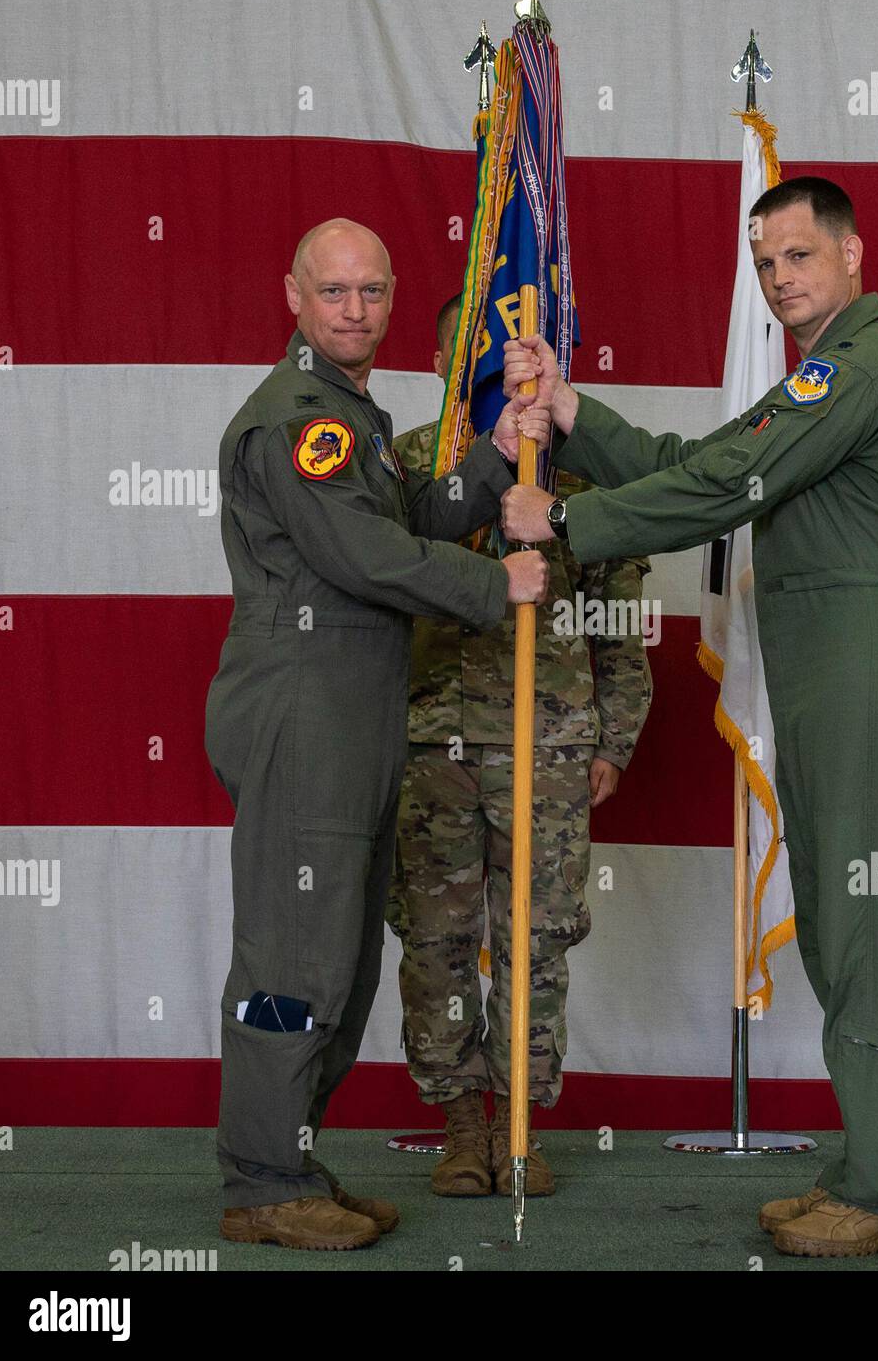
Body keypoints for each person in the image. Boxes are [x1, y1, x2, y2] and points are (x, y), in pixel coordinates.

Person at [500, 177, 878, 1259]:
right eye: (764, 263)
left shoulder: (862, 370)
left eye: (798, 256)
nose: (778, 279)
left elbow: (725, 485)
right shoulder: (820, 378)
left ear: (852, 257)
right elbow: (705, 470)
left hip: (871, 663)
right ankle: (868, 1164)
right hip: (827, 667)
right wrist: (578, 415)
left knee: (875, 929)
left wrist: (564, 512)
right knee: (837, 917)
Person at [204, 218, 550, 1251]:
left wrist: (489, 465)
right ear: (293, 295)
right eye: (334, 292)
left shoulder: (350, 412)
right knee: (294, 958)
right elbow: (363, 554)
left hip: (348, 710)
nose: (355, 310)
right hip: (303, 708)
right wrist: (498, 581)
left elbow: (406, 522)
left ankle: (291, 1162)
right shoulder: (298, 419)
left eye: (371, 292)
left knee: (342, 959)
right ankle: (262, 1178)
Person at [387, 294, 653, 1198]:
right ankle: (461, 1121)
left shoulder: (580, 477)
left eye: (511, 358)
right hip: (431, 741)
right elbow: (370, 592)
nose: (498, 374)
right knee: (436, 942)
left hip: (549, 744)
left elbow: (619, 620)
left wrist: (615, 732)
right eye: (468, 357)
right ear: (436, 361)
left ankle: (520, 1122)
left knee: (536, 940)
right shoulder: (407, 462)